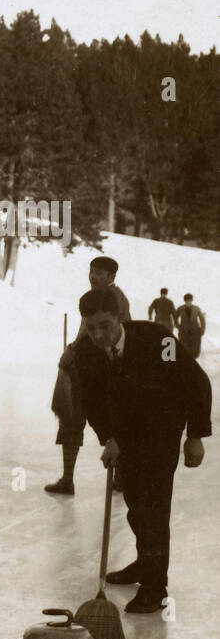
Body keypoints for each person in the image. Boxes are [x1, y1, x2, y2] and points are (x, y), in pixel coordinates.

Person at [70, 287, 210, 613]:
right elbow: (93, 405)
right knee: (135, 504)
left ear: (120, 316)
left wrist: (196, 435)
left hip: (161, 431)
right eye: (90, 327)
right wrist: (109, 439)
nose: (98, 334)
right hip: (127, 437)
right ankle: (143, 563)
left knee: (154, 510)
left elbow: (194, 381)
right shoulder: (87, 354)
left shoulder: (156, 339)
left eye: (104, 324)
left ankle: (154, 587)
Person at [45, 255, 131, 495]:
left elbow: (109, 337)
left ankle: (120, 475)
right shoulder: (90, 299)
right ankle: (68, 478)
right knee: (71, 418)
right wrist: (74, 350)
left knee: (108, 420)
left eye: (99, 273)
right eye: (91, 271)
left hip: (103, 371)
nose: (93, 276)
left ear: (111, 277)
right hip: (84, 367)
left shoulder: (115, 298)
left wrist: (72, 349)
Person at [174, 293, 205, 360]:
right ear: (185, 301)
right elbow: (175, 318)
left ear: (192, 300)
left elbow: (202, 319)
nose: (188, 302)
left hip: (195, 330)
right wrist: (178, 327)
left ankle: (194, 359)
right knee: (184, 346)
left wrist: (202, 330)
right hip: (184, 331)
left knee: (195, 347)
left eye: (190, 300)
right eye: (187, 301)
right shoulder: (180, 308)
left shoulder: (196, 308)